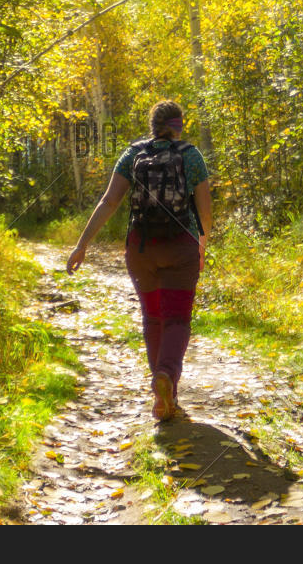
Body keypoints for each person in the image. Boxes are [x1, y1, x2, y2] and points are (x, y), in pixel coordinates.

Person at [66, 100, 211, 422]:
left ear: (152, 125)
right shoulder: (190, 155)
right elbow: (205, 211)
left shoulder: (133, 154)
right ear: (180, 125)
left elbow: (109, 201)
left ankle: (163, 398)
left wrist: (82, 244)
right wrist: (201, 245)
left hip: (140, 246)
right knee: (177, 319)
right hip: (181, 245)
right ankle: (166, 379)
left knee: (153, 318)